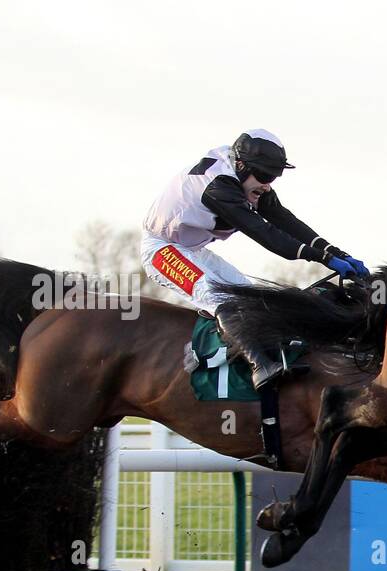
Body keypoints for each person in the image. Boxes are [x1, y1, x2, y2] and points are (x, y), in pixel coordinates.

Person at [141, 129, 369, 387]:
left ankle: (254, 351)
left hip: (191, 249)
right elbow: (266, 234)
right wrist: (323, 259)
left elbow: (284, 220)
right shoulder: (220, 187)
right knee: (219, 299)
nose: (268, 183)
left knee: (250, 298)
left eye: (273, 176)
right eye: (264, 175)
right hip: (162, 249)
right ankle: (260, 365)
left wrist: (336, 252)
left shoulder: (244, 174)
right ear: (240, 165)